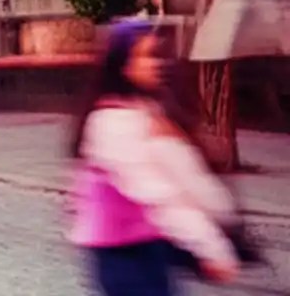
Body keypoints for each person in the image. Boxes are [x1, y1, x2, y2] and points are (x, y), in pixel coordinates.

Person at [68, 19, 240, 296]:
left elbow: (186, 177)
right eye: (146, 56)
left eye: (157, 55)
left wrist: (220, 217)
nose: (157, 64)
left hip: (150, 246)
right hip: (121, 257)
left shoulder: (147, 110)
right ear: (123, 65)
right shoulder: (111, 122)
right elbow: (160, 194)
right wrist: (210, 245)